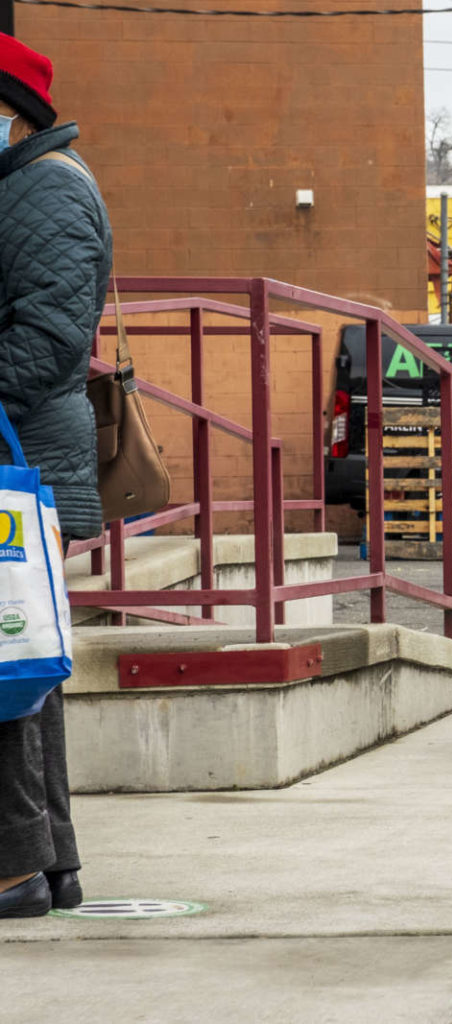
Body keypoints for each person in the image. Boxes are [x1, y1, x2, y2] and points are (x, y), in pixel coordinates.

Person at [0, 34, 112, 918]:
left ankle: (15, 873)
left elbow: (48, 339)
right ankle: (49, 865)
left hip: (22, 462)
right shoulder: (27, 186)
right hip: (26, 461)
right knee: (21, 663)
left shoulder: (49, 189)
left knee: (10, 670)